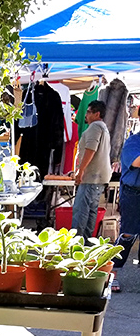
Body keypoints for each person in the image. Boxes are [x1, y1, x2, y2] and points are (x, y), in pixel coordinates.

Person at [71, 100, 112, 239]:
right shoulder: (103, 127)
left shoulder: (95, 127)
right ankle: (87, 243)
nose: (86, 115)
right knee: (90, 211)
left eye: (89, 112)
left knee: (81, 211)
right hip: (99, 177)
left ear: (97, 114)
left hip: (91, 176)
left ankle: (77, 245)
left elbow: (91, 149)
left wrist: (80, 170)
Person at [113, 131, 140, 271]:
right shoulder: (133, 141)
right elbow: (137, 161)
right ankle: (113, 271)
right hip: (133, 193)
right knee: (127, 235)